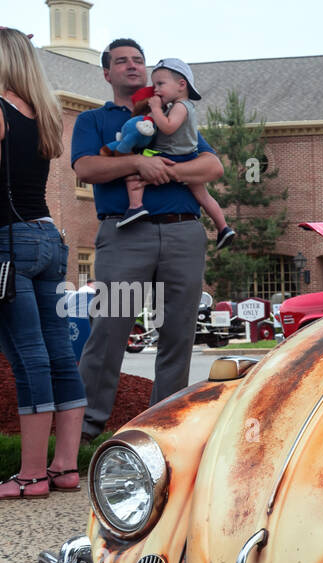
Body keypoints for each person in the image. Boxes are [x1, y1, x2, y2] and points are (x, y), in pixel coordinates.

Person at [72, 39, 224, 441]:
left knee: (178, 333)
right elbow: (86, 167)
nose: (133, 66)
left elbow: (212, 165)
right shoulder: (95, 120)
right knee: (109, 329)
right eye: (122, 61)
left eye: (138, 60)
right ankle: (85, 433)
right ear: (107, 74)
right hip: (125, 233)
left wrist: (166, 171)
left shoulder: (174, 114)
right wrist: (137, 162)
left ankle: (164, 431)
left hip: (183, 232)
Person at [0, 25, 86, 499]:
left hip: (5, 243)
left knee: (27, 357)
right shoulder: (43, 111)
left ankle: (31, 475)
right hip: (47, 238)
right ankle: (65, 466)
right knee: (59, 353)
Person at [116, 58, 235, 250]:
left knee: (134, 175)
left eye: (161, 84)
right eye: (154, 85)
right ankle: (223, 228)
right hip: (188, 156)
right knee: (202, 195)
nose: (155, 89)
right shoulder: (179, 106)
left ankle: (135, 207)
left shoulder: (181, 106)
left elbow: (169, 128)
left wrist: (155, 109)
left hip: (172, 155)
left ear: (181, 85)